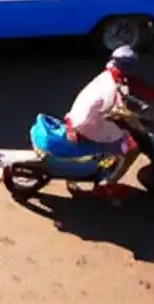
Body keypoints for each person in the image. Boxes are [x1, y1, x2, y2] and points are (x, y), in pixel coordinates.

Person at [62, 47, 143, 198]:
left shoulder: (108, 76)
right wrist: (132, 119)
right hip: (87, 126)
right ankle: (110, 182)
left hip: (78, 115)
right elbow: (115, 110)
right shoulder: (110, 88)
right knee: (131, 148)